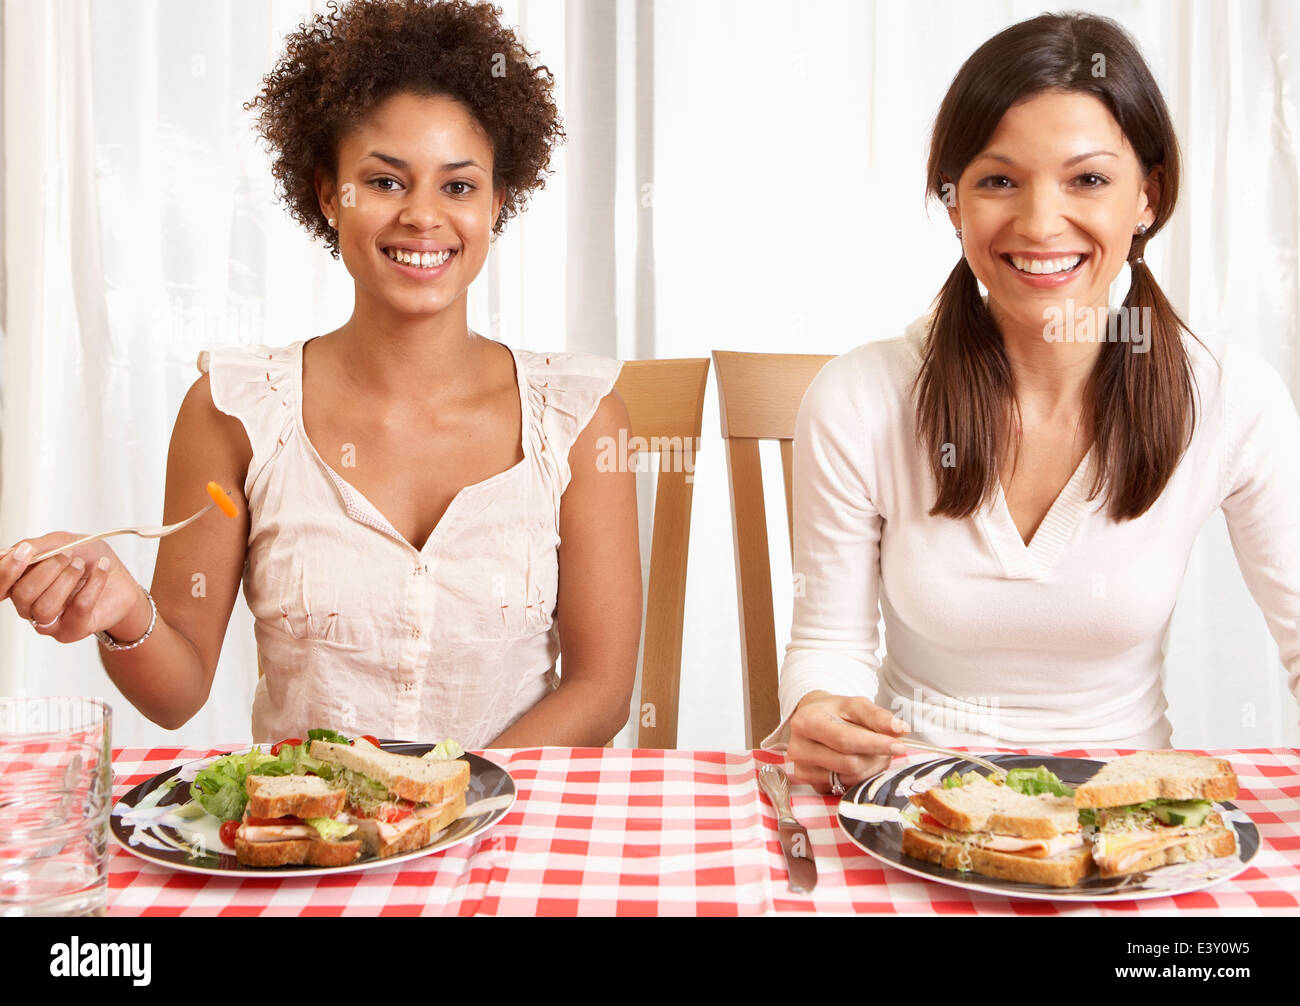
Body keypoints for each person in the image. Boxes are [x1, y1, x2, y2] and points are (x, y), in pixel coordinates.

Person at [0, 0, 642, 748]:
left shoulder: (582, 418)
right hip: (307, 848)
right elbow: (177, 694)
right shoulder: (235, 410)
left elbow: (600, 692)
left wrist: (440, 803)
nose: (423, 217)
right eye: (385, 182)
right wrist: (120, 608)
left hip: (506, 833)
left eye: (459, 187)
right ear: (326, 196)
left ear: (499, 202)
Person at [766, 12, 1300, 793]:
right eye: (999, 180)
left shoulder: (1230, 398)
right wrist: (821, 708)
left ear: (1146, 197)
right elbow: (829, 640)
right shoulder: (861, 397)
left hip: (1124, 816)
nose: (1040, 222)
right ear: (954, 204)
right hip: (915, 808)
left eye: (1088, 179)